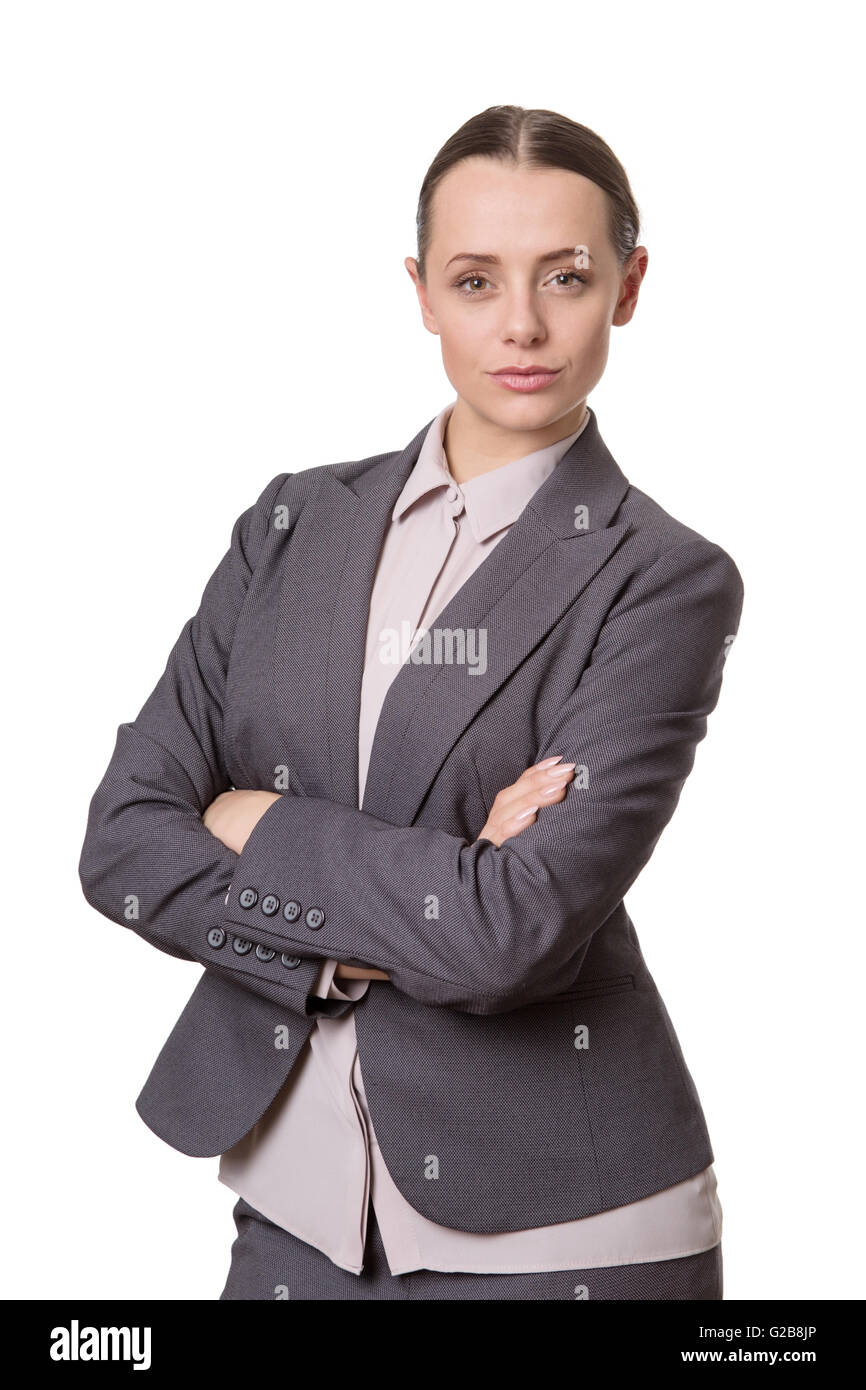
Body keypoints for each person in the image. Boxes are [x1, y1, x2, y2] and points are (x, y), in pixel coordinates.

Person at [79, 104, 744, 1300]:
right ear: (421, 292)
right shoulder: (291, 522)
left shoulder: (663, 579)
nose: (523, 325)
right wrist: (379, 931)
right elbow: (124, 838)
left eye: (568, 276)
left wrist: (254, 826)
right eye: (476, 280)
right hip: (293, 1208)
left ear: (629, 287)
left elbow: (510, 933)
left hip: (565, 1234)